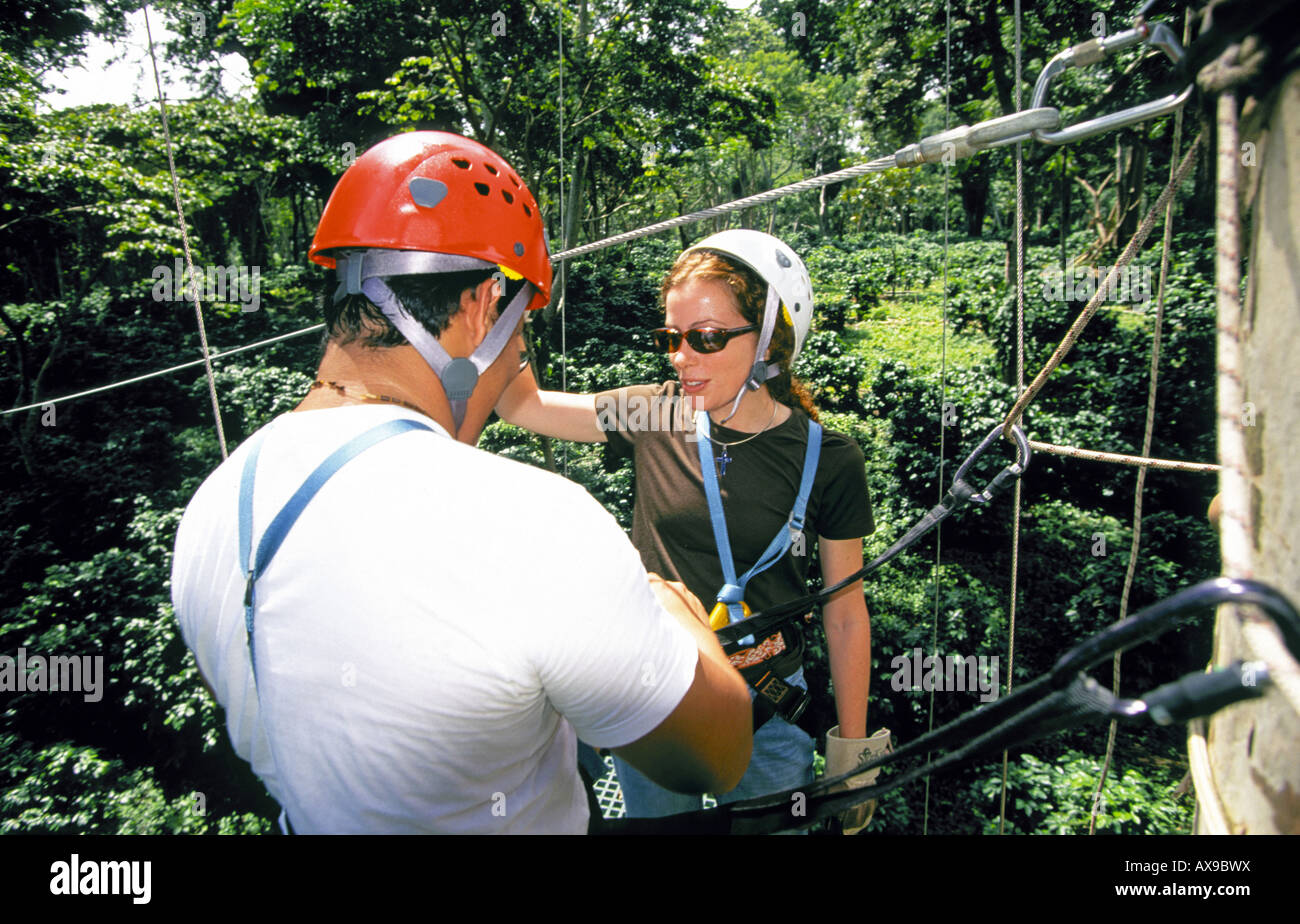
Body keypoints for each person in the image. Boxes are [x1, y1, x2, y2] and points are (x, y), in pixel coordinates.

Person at [170, 131, 752, 834]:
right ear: (481, 306)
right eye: (519, 334)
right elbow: (716, 755)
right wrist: (679, 617)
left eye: (708, 339)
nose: (684, 352)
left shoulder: (212, 506)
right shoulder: (539, 515)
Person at [496, 229, 891, 830]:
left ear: (769, 340)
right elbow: (523, 407)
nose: (682, 357)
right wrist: (502, 304)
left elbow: (844, 611)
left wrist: (854, 752)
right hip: (660, 694)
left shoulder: (828, 458)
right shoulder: (654, 413)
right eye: (672, 338)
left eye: (706, 338)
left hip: (772, 705)